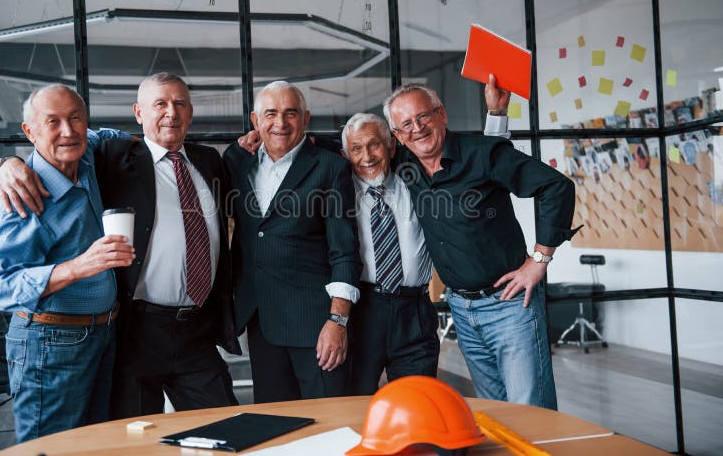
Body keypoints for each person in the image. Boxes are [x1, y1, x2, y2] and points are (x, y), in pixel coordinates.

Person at [0, 72, 240, 418]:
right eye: (160, 104)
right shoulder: (112, 156)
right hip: (135, 333)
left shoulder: (208, 160)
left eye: (179, 103)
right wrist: (7, 164)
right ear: (139, 113)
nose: (171, 112)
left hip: (196, 331)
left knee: (226, 427)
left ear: (191, 112)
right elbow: (59, 143)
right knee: (135, 440)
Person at [384, 81, 579, 410]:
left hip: (510, 306)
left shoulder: (483, 154)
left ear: (441, 114)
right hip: (461, 309)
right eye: (406, 124)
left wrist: (539, 259)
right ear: (398, 135)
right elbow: (358, 145)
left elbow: (556, 187)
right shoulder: (405, 167)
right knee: (496, 411)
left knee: (530, 411)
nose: (417, 128)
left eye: (423, 116)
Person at [0, 85, 135, 441]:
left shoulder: (84, 157)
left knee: (93, 448)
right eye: (53, 122)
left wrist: (6, 160)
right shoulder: (21, 197)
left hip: (101, 335)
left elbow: (109, 135)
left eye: (76, 118)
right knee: (49, 449)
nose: (68, 131)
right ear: (30, 132)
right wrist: (81, 265)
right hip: (49, 344)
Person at [224, 80, 362, 403]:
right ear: (256, 121)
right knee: (276, 424)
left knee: (331, 426)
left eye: (291, 113)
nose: (280, 123)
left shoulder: (330, 167)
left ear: (306, 119)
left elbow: (344, 252)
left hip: (315, 325)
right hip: (262, 323)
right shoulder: (239, 165)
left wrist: (337, 321)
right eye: (270, 114)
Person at [340, 113, 439, 394]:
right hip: (362, 310)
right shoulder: (338, 195)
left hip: (415, 311)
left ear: (392, 146)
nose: (367, 156)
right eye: (356, 149)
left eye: (375, 145)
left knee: (419, 403)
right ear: (345, 155)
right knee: (355, 404)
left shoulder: (418, 185)